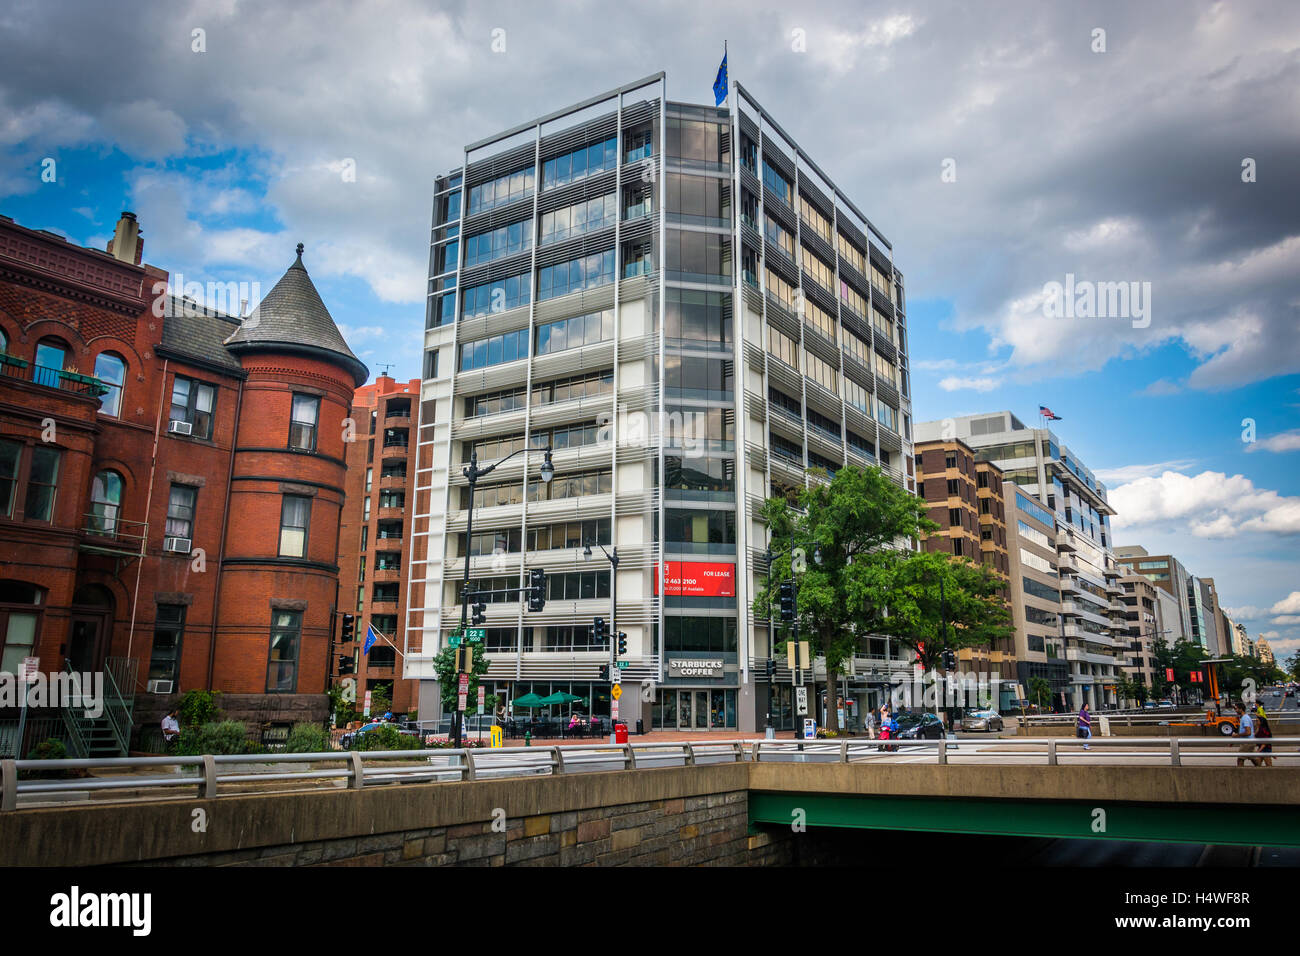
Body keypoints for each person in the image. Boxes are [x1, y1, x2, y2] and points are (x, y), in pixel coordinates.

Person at [1234, 702, 1259, 767]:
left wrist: (1237, 735)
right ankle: (1261, 771)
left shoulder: (1245, 718)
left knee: (1240, 759)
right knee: (1253, 759)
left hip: (1247, 742)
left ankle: (1240, 775)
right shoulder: (1244, 717)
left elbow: (1248, 732)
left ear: (1241, 709)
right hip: (1249, 741)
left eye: (1236, 709)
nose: (1235, 710)